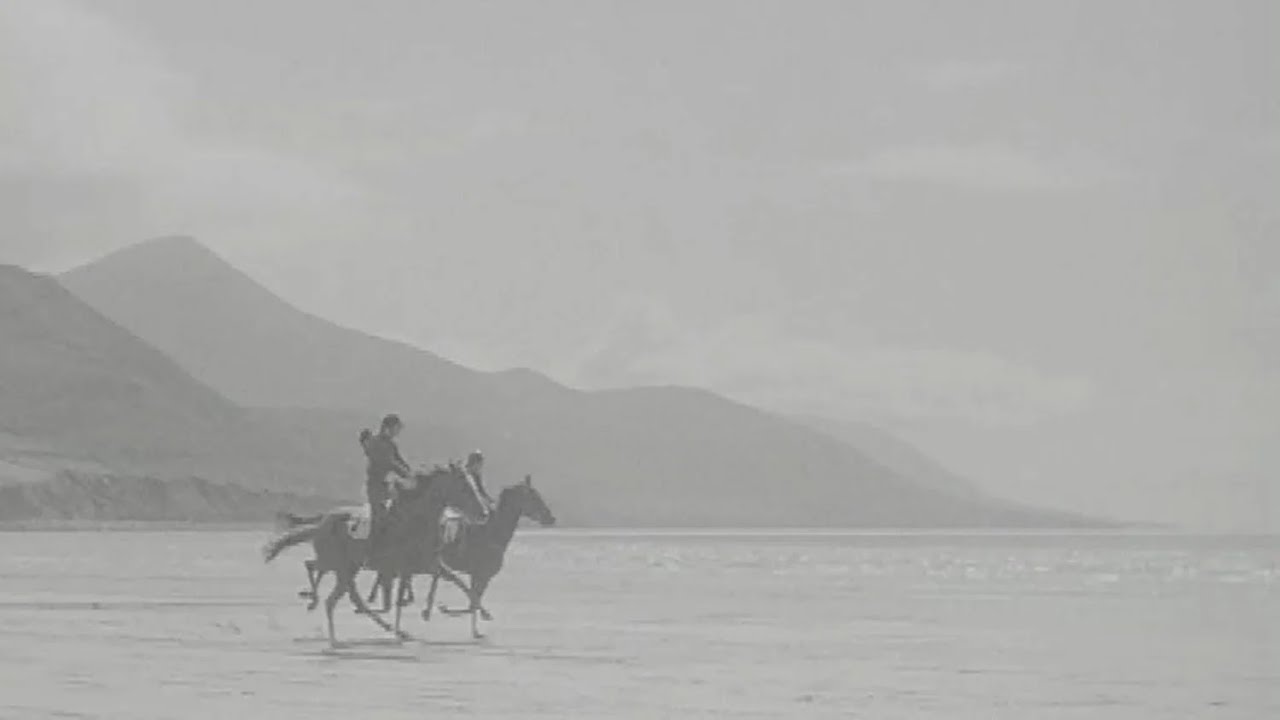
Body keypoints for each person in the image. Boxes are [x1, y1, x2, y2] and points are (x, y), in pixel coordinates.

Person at [360, 414, 412, 553]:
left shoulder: (391, 444)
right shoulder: (376, 443)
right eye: (397, 428)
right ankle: (371, 551)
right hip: (375, 488)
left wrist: (412, 473)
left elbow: (400, 462)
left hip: (388, 487)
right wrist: (405, 473)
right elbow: (389, 463)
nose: (398, 432)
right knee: (380, 517)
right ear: (388, 428)